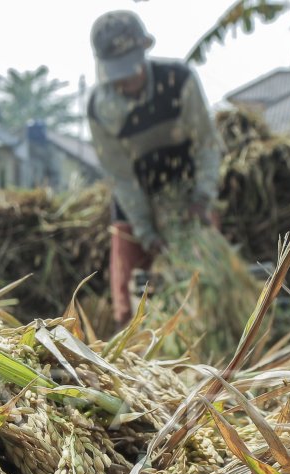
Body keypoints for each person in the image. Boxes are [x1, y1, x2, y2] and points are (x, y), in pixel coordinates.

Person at [87, 10, 223, 325]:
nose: (128, 80)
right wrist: (147, 232)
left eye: (132, 69)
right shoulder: (101, 108)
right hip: (134, 209)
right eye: (118, 73)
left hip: (187, 202)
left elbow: (206, 143)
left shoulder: (178, 81)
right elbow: (121, 176)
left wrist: (202, 198)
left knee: (210, 292)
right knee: (130, 305)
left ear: (145, 51)